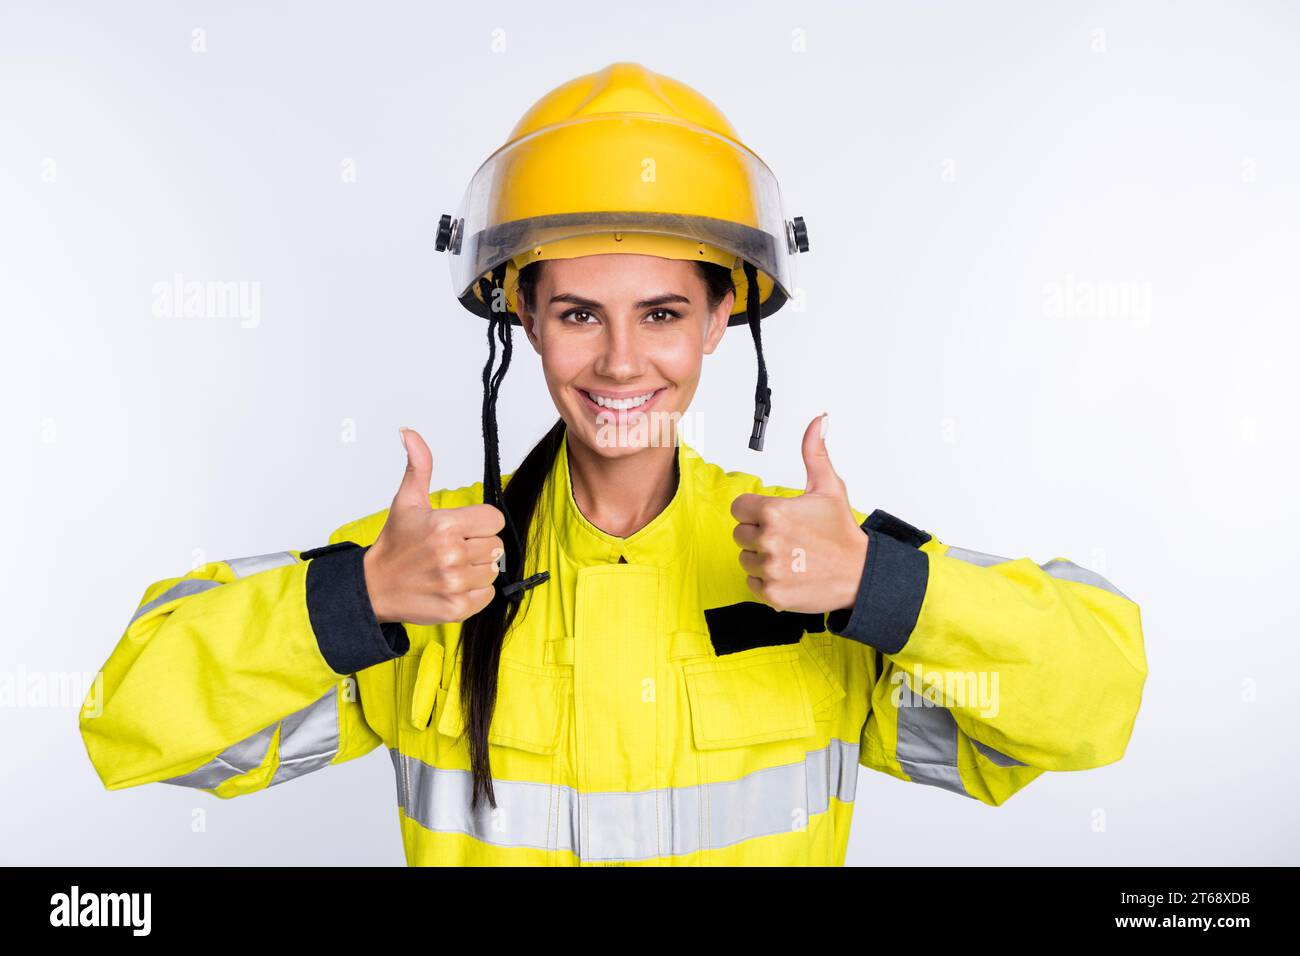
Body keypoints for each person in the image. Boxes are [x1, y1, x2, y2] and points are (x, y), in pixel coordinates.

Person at [79, 63, 1146, 866]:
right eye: (579, 312)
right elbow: (133, 720)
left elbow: (1092, 703)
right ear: (525, 322)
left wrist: (885, 585)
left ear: (726, 317)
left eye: (665, 313)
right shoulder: (426, 566)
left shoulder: (819, 565)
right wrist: (350, 600)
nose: (622, 360)